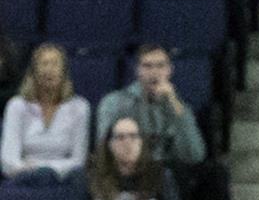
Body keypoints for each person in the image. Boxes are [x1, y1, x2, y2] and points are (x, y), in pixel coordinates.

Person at [94, 47, 225, 200]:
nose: (154, 72)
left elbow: (195, 155)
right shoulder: (114, 102)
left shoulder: (179, 106)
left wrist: (174, 104)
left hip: (167, 171)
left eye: (160, 66)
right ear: (137, 70)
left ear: (170, 70)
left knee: (215, 173)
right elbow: (103, 147)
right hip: (131, 168)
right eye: (147, 66)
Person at [1, 44, 90, 187]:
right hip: (23, 180)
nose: (49, 70)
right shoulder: (16, 106)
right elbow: (7, 161)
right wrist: (31, 173)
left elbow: (79, 161)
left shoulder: (80, 107)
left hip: (64, 182)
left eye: (55, 64)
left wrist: (41, 169)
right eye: (44, 64)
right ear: (33, 72)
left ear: (64, 72)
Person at [86, 116, 179, 200]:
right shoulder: (91, 176)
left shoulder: (160, 175)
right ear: (109, 145)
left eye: (133, 136)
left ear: (142, 142)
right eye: (120, 137)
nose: (127, 142)